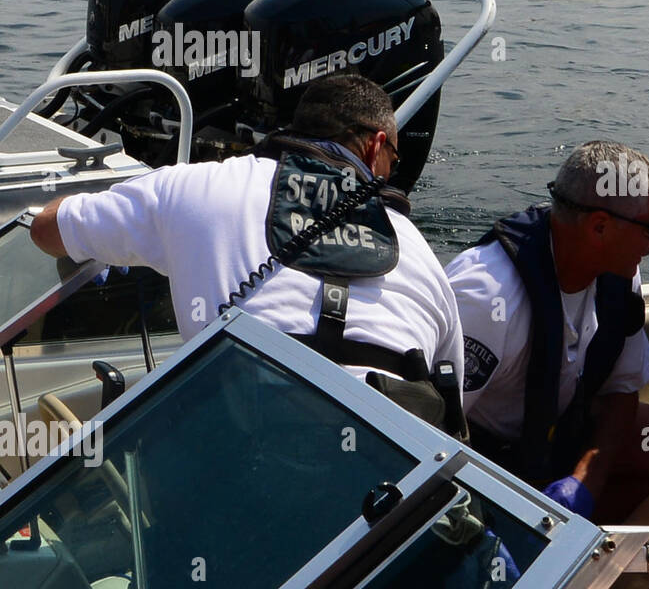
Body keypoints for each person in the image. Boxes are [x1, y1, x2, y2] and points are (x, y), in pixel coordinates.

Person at [31, 74, 466, 434]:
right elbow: (452, 398)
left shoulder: (194, 186)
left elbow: (48, 229)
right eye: (394, 155)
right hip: (391, 483)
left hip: (243, 456)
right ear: (374, 147)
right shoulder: (420, 251)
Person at [446, 142, 649, 526]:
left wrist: (586, 478)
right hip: (488, 451)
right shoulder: (487, 297)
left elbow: (621, 391)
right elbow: (430, 433)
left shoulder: (619, 270)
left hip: (563, 427)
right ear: (599, 226)